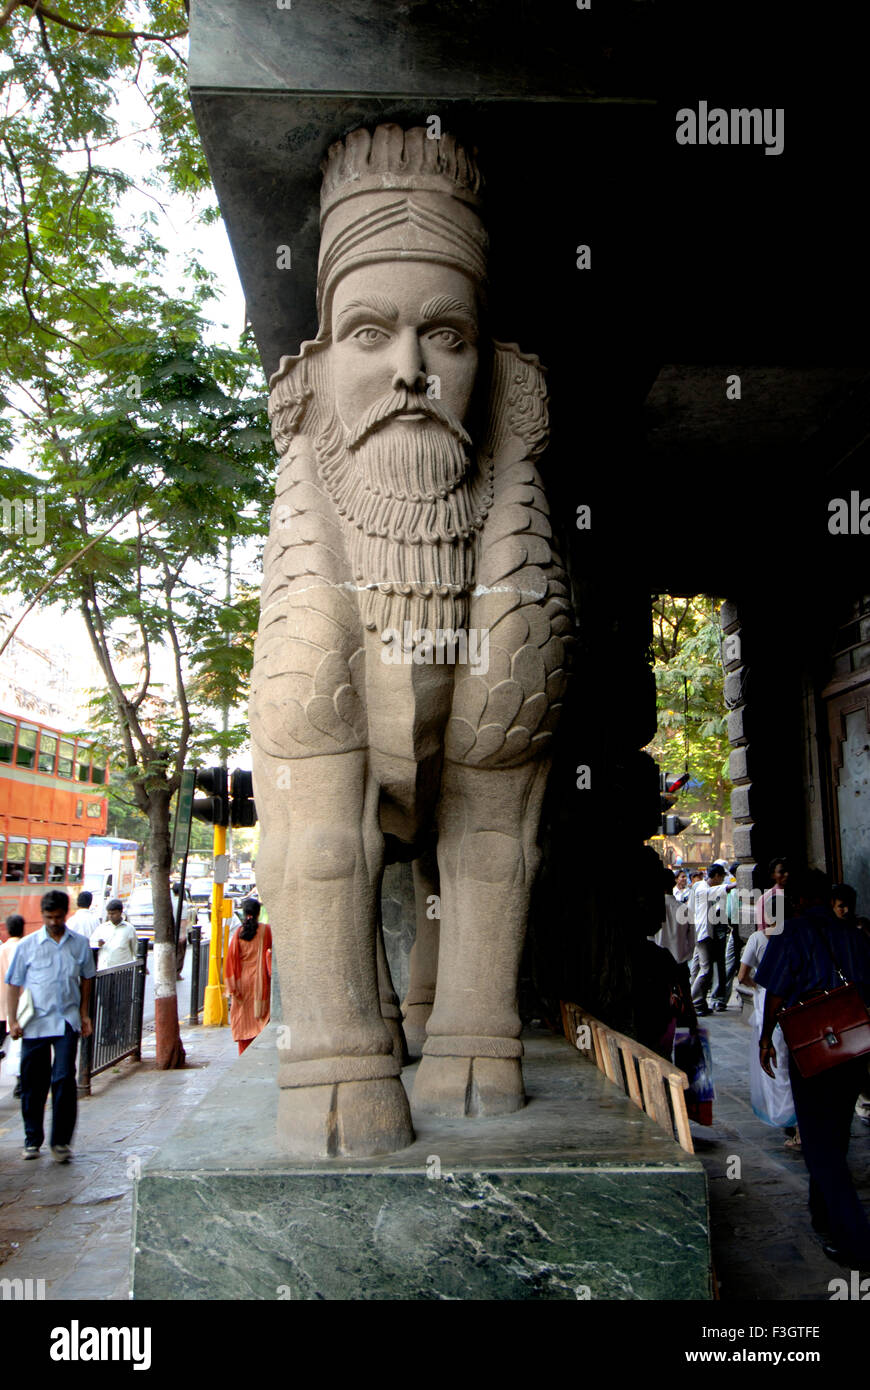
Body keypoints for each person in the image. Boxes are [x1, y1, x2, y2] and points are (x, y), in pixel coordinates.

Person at [756, 868, 870, 1267]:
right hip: (854, 1049)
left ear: (800, 900)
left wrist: (766, 1037)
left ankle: (857, 1241)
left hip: (814, 1049)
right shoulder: (853, 935)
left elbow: (775, 992)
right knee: (836, 1134)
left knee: (821, 1148)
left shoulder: (792, 934)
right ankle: (823, 1215)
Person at [5, 889, 95, 1162]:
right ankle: (32, 1139)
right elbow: (13, 983)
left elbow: (87, 979)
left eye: (57, 917)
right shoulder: (27, 946)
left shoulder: (79, 944)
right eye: (48, 917)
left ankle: (61, 1142)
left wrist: (84, 1014)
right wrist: (13, 1020)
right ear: (42, 916)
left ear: (65, 914)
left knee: (63, 1078)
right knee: (34, 1082)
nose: (53, 922)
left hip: (66, 1020)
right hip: (36, 1023)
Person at [738, 914, 798, 1145]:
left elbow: (743, 975)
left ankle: (785, 1115)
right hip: (792, 1004)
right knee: (790, 1059)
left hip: (767, 1004)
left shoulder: (757, 938)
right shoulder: (795, 936)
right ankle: (796, 1115)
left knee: (776, 1063)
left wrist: (758, 987)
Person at [224, 898, 272, 1055]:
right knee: (261, 1018)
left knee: (243, 1019)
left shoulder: (238, 933)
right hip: (261, 982)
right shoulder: (266, 931)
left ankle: (244, 1055)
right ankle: (259, 1053)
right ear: (259, 913)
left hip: (242, 983)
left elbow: (231, 961)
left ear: (245, 913)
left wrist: (232, 987)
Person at [690, 864, 728, 1014]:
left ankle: (698, 1002)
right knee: (706, 969)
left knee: (697, 968)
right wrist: (735, 884)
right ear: (717, 876)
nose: (722, 880)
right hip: (703, 934)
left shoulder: (699, 885)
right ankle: (694, 1001)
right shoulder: (702, 888)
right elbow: (716, 890)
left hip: (700, 932)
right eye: (722, 877)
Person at [0, 914, 25, 1096]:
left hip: (1, 1005)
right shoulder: (25, 948)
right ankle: (20, 1082)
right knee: (20, 1044)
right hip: (21, 1004)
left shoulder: (2, 949)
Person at [89, 899, 137, 970]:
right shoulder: (102, 928)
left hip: (123, 970)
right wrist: (98, 944)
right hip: (105, 970)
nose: (110, 916)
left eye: (113, 914)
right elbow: (91, 944)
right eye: (109, 913)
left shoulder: (129, 928)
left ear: (120, 912)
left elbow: (135, 949)